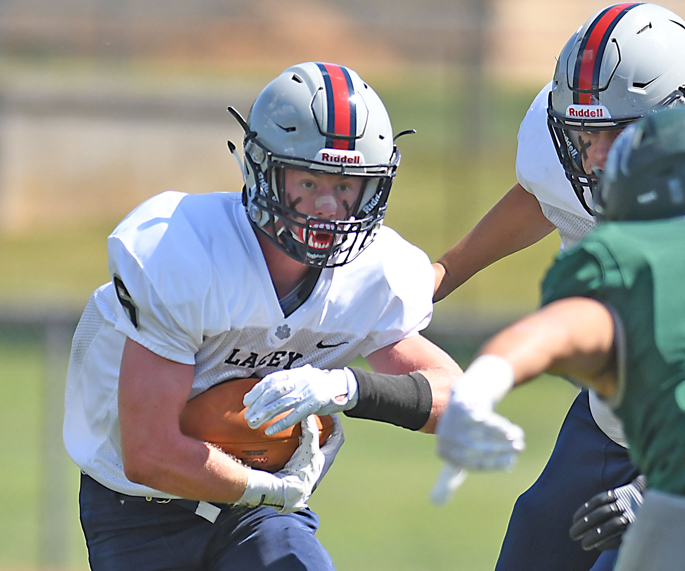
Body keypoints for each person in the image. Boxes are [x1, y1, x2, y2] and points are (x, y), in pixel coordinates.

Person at [431, 4, 685, 570]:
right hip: (622, 416)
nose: (596, 157)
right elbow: (546, 209)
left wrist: (659, 485)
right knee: (537, 543)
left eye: (618, 133)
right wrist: (451, 286)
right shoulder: (600, 197)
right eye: (585, 133)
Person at [63, 61, 461, 571]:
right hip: (140, 502)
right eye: (309, 181)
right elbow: (150, 452)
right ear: (262, 169)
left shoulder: (375, 271)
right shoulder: (183, 251)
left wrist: (347, 387)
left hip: (265, 512)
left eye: (346, 186)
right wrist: (264, 488)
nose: (328, 206)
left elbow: (459, 400)